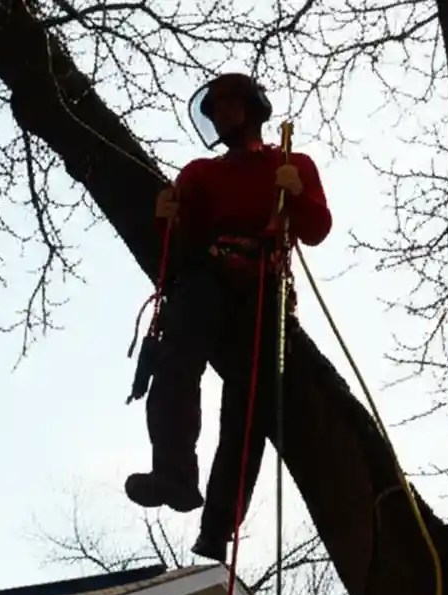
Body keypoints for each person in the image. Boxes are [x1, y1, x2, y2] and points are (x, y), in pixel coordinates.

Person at [124, 72, 333, 562]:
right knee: (177, 360)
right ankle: (173, 470)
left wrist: (297, 191)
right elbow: (176, 246)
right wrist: (165, 215)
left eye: (229, 104)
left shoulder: (289, 162)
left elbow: (317, 227)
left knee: (248, 404)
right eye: (215, 108)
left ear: (252, 107)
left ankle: (218, 524)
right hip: (208, 275)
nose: (222, 114)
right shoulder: (200, 174)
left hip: (262, 282)